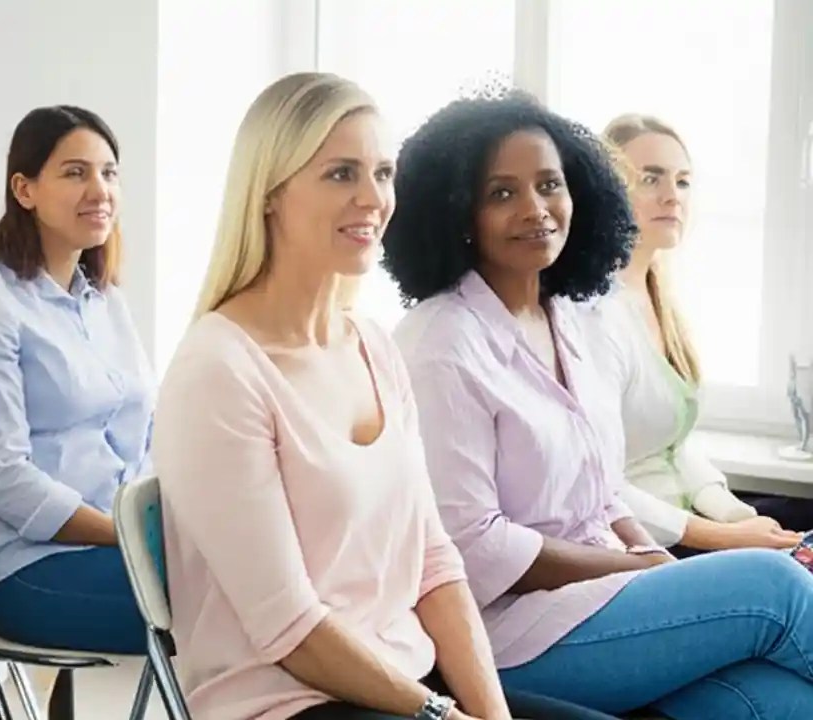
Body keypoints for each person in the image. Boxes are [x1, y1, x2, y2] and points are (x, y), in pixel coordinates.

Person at [153, 72, 614, 720]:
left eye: (383, 172)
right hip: (287, 704)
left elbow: (435, 565)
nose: (373, 198)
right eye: (342, 174)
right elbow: (288, 626)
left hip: (406, 688)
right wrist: (437, 714)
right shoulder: (218, 371)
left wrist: (489, 715)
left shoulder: (374, 346)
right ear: (270, 195)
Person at [386, 89, 813, 718]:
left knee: (778, 701)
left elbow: (602, 492)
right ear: (457, 213)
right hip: (513, 636)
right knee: (775, 584)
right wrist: (632, 570)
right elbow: (474, 546)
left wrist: (664, 568)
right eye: (502, 193)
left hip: (606, 601)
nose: (536, 209)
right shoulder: (440, 341)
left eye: (549, 185)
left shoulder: (571, 318)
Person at [0, 105, 152, 655]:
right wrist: (128, 534)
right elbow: (4, 478)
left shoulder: (106, 303)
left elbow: (144, 438)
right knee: (239, 609)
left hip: (117, 545)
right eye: (76, 172)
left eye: (109, 173)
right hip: (29, 567)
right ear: (24, 189)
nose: (99, 189)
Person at [585, 113, 812, 553]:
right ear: (606, 191)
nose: (672, 196)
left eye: (683, 181)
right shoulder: (593, 316)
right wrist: (727, 537)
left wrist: (740, 517)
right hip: (640, 546)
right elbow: (599, 488)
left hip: (690, 520)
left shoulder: (660, 301)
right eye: (650, 178)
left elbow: (675, 447)